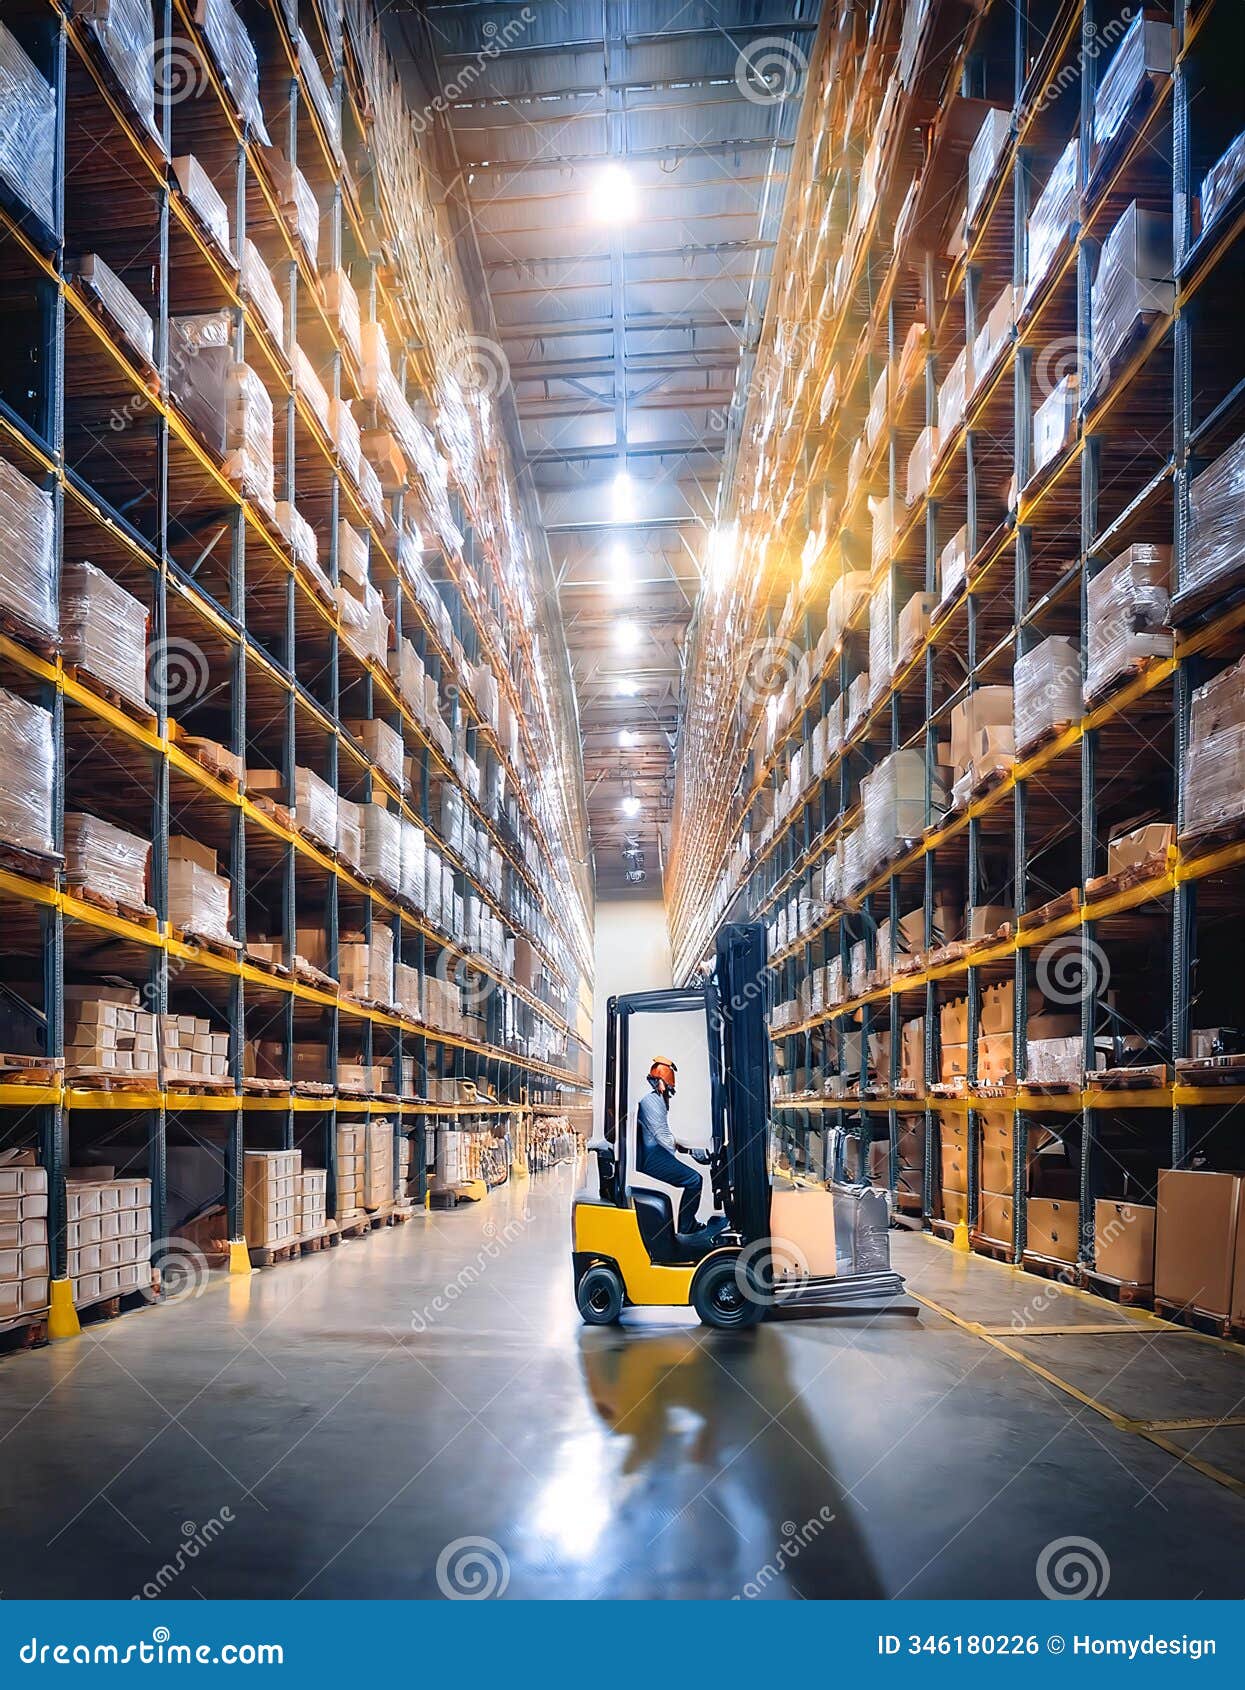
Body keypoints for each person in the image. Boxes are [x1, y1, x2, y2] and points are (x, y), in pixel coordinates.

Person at [636, 1057, 710, 1234]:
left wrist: (689, 1151)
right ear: (660, 1082)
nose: (669, 1091)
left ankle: (687, 1226)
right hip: (651, 1156)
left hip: (653, 1151)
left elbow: (666, 1137)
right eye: (668, 1085)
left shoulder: (656, 1100)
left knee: (694, 1179)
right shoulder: (652, 1101)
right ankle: (686, 1228)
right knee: (694, 1180)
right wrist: (691, 1150)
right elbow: (665, 1139)